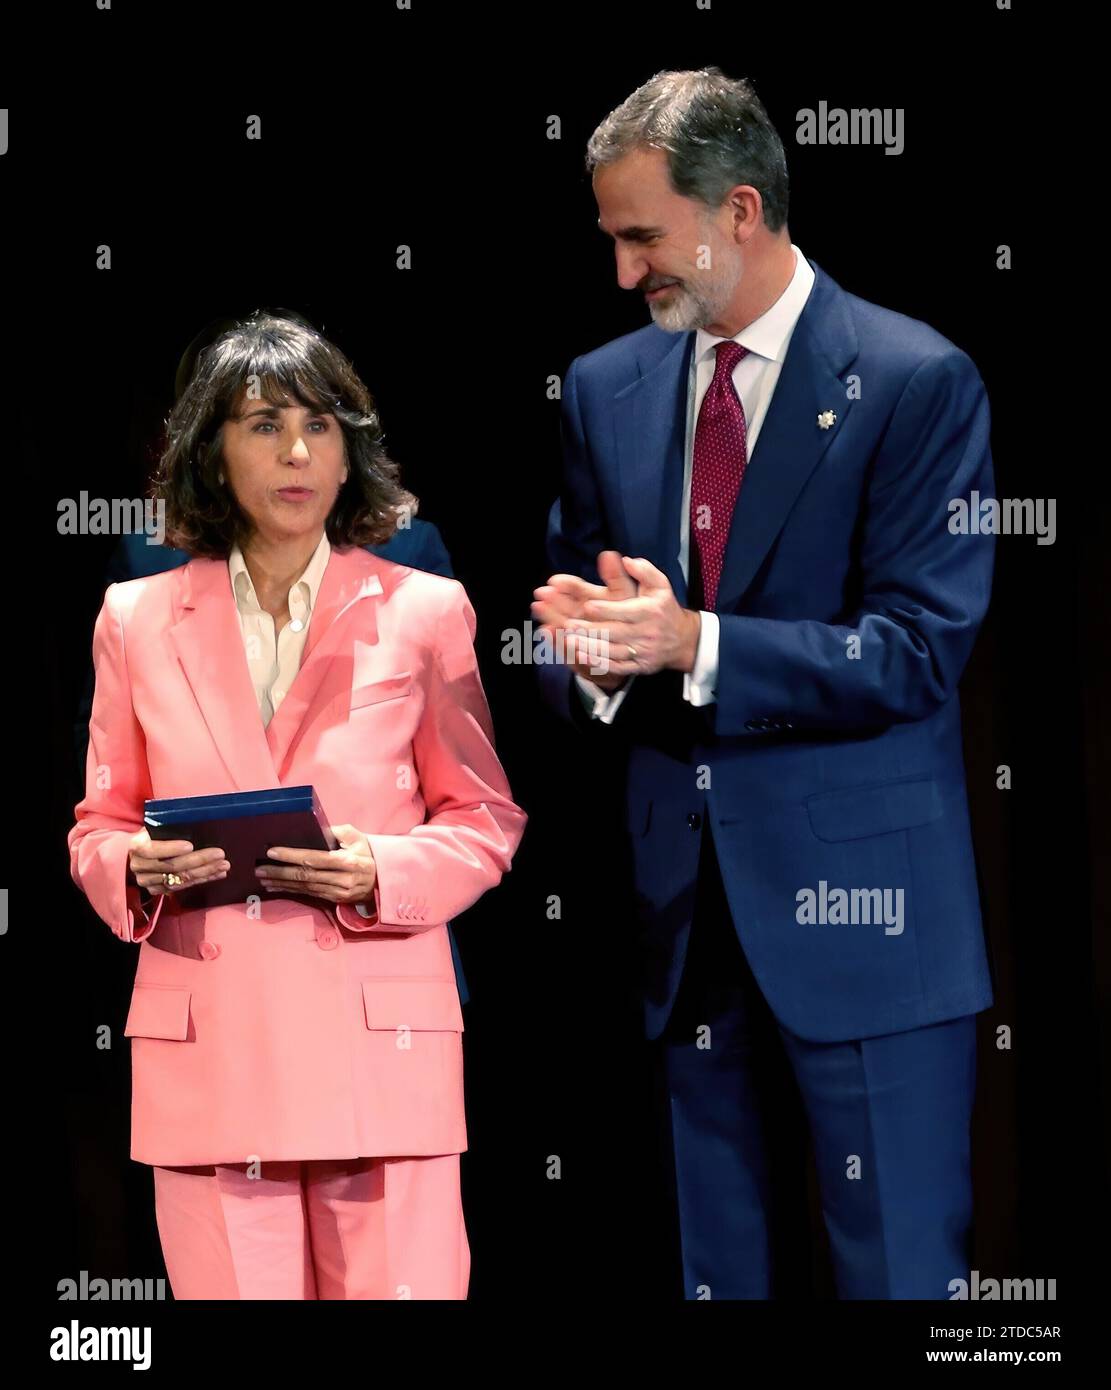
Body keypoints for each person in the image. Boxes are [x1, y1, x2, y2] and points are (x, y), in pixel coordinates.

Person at [533, 66, 996, 1299]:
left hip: (870, 919)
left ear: (739, 210)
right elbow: (572, 619)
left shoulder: (914, 380)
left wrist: (697, 644)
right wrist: (582, 653)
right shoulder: (604, 388)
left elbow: (917, 647)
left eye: (643, 236)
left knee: (897, 1275)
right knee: (712, 1279)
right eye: (612, 238)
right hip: (684, 925)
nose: (625, 273)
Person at [68, 311, 527, 1299]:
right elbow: (100, 821)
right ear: (211, 452)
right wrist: (128, 870)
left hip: (379, 1056)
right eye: (264, 424)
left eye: (320, 426)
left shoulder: (423, 608)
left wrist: (383, 870)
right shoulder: (136, 618)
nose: (296, 452)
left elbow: (483, 818)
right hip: (214, 1064)